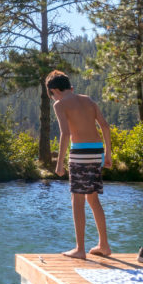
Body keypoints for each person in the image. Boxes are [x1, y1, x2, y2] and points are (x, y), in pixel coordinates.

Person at [45, 70, 112, 260]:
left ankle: (80, 249)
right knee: (93, 199)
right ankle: (104, 245)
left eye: (51, 94)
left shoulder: (60, 104)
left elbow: (65, 134)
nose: (52, 98)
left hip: (81, 152)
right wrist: (108, 155)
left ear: (54, 90)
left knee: (77, 201)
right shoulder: (88, 100)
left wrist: (59, 163)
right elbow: (105, 127)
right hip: (97, 151)